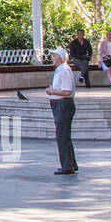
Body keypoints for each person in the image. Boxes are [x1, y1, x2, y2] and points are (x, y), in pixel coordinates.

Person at [46, 47, 78, 175]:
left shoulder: (64, 70)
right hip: (60, 105)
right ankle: (70, 163)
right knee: (64, 136)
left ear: (60, 58)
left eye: (54, 56)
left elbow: (67, 92)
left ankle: (67, 166)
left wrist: (52, 91)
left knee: (62, 136)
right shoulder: (60, 70)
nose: (52, 58)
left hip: (63, 105)